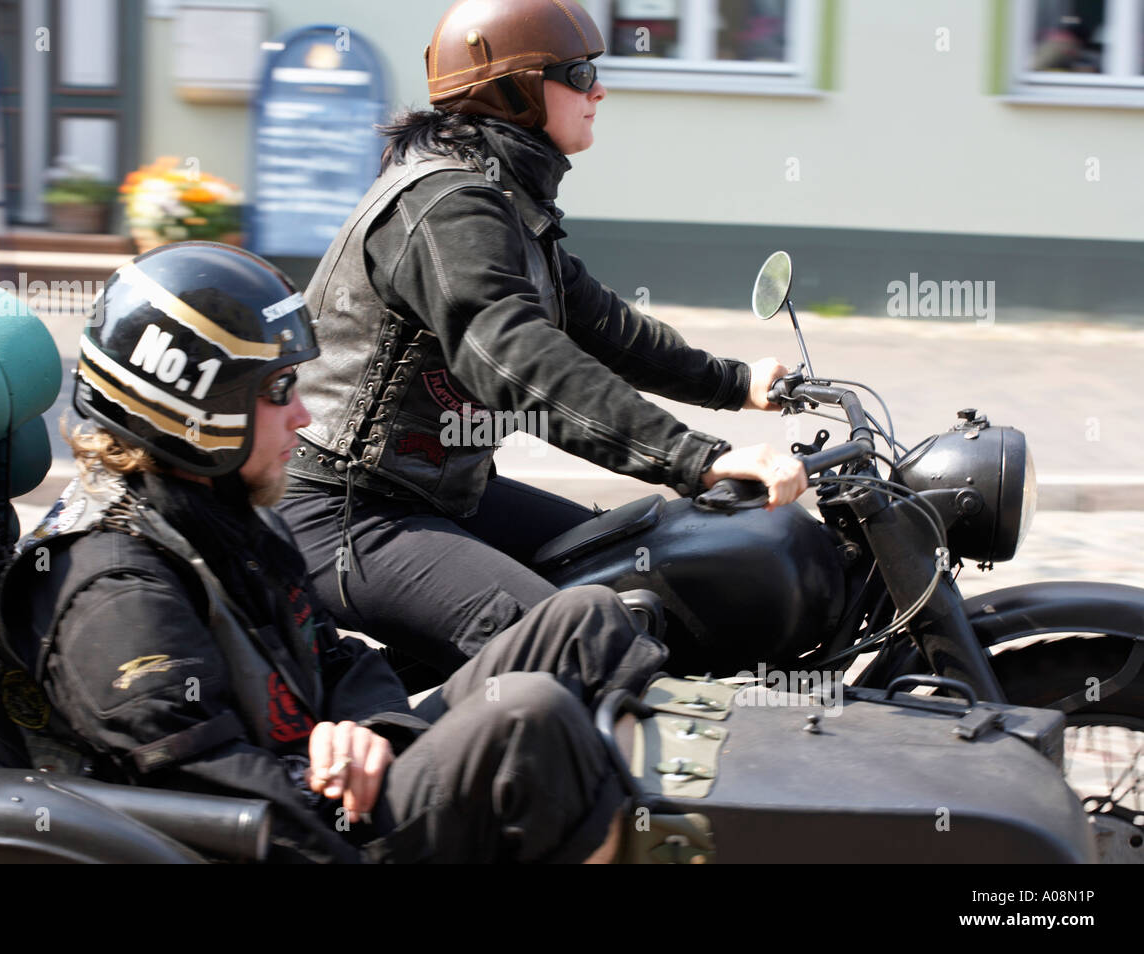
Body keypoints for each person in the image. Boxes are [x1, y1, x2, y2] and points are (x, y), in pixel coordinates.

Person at [0, 241, 668, 863]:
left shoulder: (227, 513)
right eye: (277, 391)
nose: (304, 416)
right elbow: (205, 795)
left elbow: (339, 658)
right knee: (529, 716)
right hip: (304, 834)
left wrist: (368, 730)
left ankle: (659, 813)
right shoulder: (115, 588)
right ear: (200, 410)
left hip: (338, 776)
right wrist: (332, 767)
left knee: (584, 620)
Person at [278, 0, 807, 678]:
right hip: (350, 514)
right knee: (590, 649)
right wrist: (694, 459)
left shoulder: (503, 201)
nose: (599, 90)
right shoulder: (449, 206)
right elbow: (520, 361)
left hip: (443, 494)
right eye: (579, 73)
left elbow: (605, 328)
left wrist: (736, 384)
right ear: (514, 90)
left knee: (653, 566)